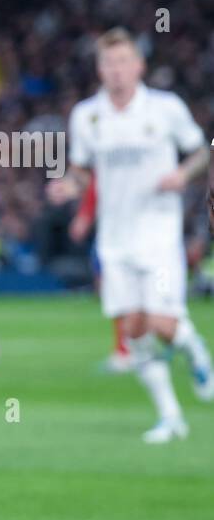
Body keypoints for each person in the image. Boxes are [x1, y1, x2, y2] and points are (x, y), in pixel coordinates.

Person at [49, 28, 213, 442]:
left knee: (162, 321)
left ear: (139, 65)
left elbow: (201, 150)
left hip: (157, 234)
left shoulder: (165, 108)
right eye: (109, 63)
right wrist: (69, 186)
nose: (117, 70)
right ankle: (170, 416)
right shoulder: (87, 115)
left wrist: (182, 173)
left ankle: (197, 354)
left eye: (124, 62)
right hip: (115, 240)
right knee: (135, 330)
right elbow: (84, 171)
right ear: (100, 69)